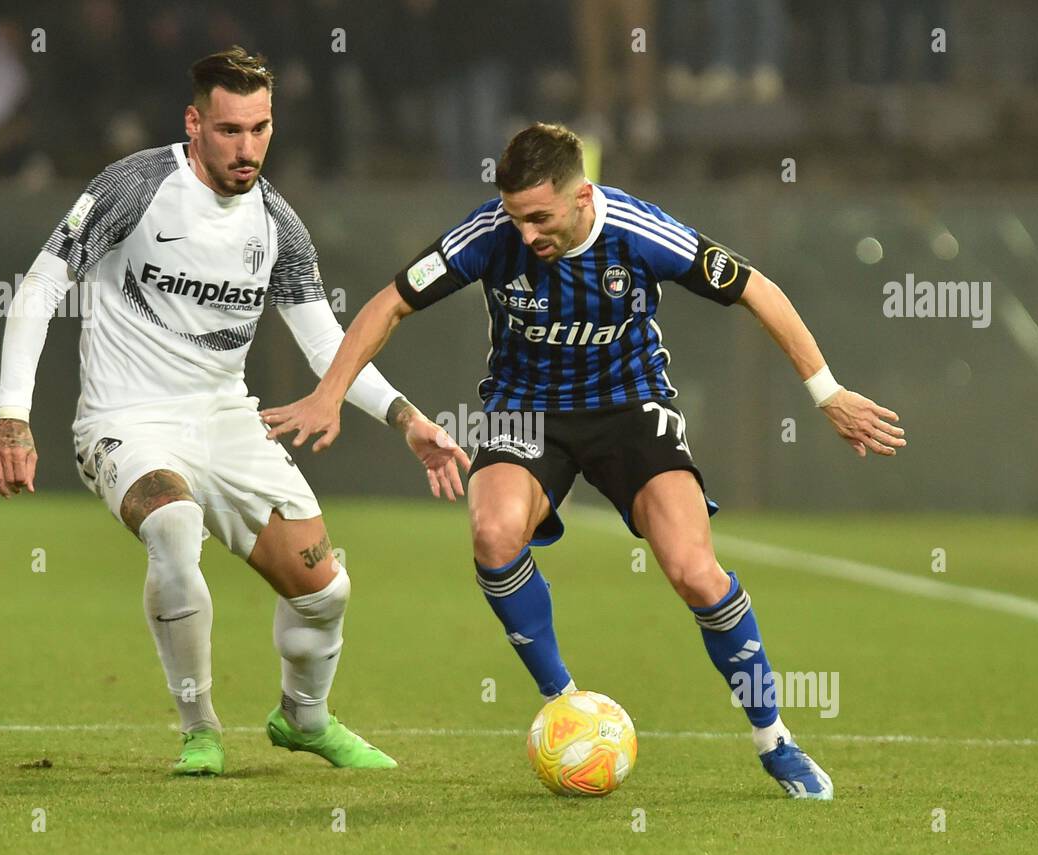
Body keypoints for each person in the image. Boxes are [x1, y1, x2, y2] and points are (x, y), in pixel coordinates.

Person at [263, 122, 908, 800]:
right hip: (526, 407)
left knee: (695, 572)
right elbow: (391, 302)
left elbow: (755, 289)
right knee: (491, 534)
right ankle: (565, 703)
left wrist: (826, 391)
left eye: (540, 217)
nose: (527, 233)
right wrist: (329, 394)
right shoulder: (490, 234)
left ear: (581, 197)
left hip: (631, 406)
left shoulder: (641, 233)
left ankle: (775, 741)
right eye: (516, 217)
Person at [0, 46, 467, 777]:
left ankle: (304, 721)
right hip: (125, 419)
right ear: (195, 122)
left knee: (323, 589)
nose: (248, 148)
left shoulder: (277, 223)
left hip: (226, 421)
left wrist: (405, 418)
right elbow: (41, 288)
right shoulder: (136, 186)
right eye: (230, 129)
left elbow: (323, 344)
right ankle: (199, 728)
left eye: (261, 128)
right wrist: (13, 416)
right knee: (174, 528)